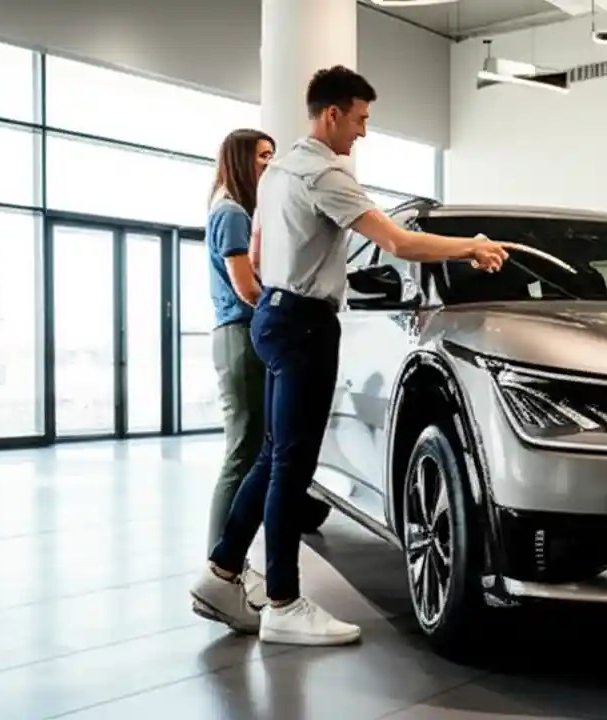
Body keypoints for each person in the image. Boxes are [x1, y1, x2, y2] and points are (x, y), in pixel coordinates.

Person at [189, 65, 509, 646]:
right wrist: (474, 246)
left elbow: (258, 255)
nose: (362, 132)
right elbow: (398, 242)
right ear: (331, 114)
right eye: (360, 119)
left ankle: (222, 571)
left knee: (271, 456)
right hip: (306, 325)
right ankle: (283, 601)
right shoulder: (325, 175)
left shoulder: (277, 172)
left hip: (273, 317)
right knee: (292, 465)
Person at [196, 129, 274, 616]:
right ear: (243, 161)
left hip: (243, 338)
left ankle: (232, 560)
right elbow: (247, 289)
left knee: (249, 447)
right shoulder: (230, 213)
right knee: (243, 447)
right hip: (238, 337)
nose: (270, 164)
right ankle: (219, 564)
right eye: (264, 156)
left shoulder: (240, 214)